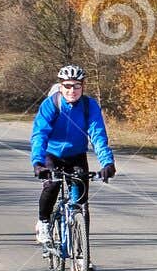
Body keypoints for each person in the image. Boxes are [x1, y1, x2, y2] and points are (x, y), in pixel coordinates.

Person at [30, 65, 116, 248]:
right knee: (52, 185)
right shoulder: (51, 104)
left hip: (77, 155)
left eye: (77, 86)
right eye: (68, 86)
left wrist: (107, 162)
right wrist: (38, 162)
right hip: (51, 155)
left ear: (82, 86)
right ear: (60, 86)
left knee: (81, 205)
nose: (72, 90)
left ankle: (82, 252)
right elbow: (40, 134)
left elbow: (98, 135)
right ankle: (43, 223)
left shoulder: (89, 105)